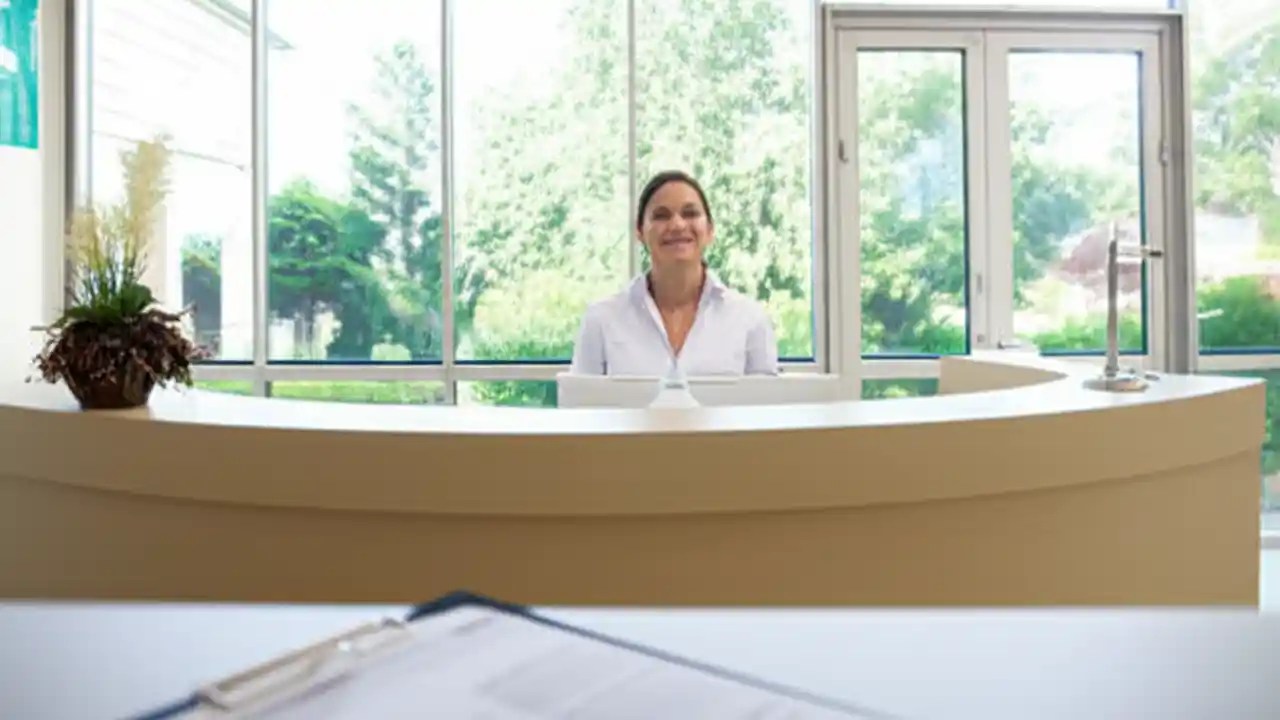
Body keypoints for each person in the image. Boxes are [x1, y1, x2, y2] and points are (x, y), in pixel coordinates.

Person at [570, 170, 778, 377]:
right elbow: (580, 405)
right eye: (661, 216)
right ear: (640, 232)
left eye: (690, 213)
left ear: (710, 230)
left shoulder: (750, 320)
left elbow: (766, 407)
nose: (677, 225)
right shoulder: (601, 319)